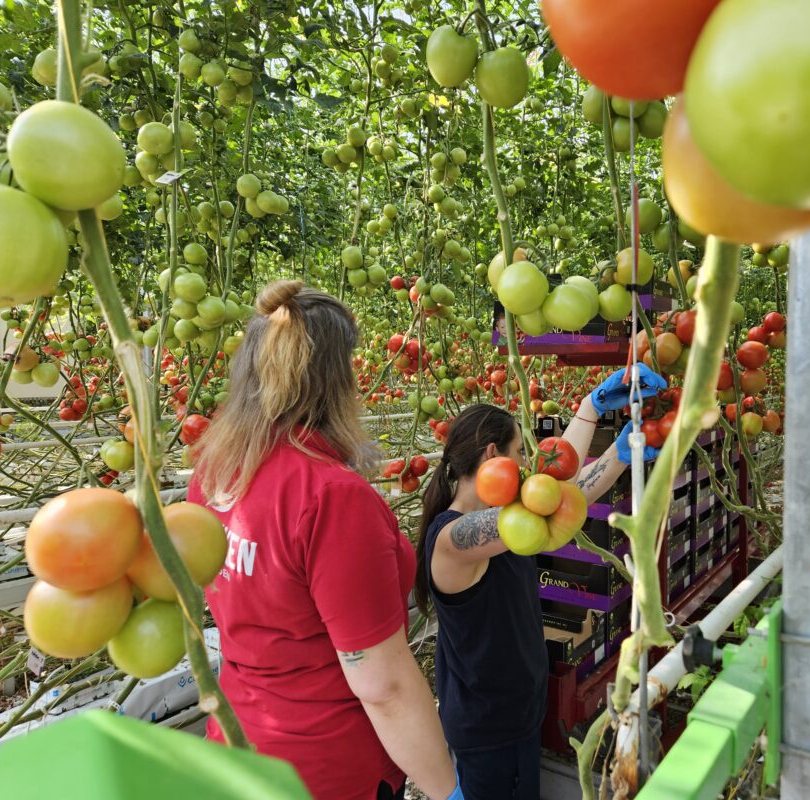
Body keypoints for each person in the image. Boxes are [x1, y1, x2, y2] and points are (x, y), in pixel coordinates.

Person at [188, 280, 463, 800]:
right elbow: (383, 686)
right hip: (326, 769)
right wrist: (448, 788)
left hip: (237, 745)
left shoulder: (213, 475)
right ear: (336, 380)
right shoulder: (332, 498)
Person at [414, 364, 666, 800]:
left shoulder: (507, 523)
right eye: (518, 453)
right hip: (488, 729)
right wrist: (588, 417)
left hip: (516, 714)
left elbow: (564, 499)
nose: (527, 465)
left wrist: (611, 448)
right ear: (494, 455)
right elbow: (547, 503)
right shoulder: (452, 539)